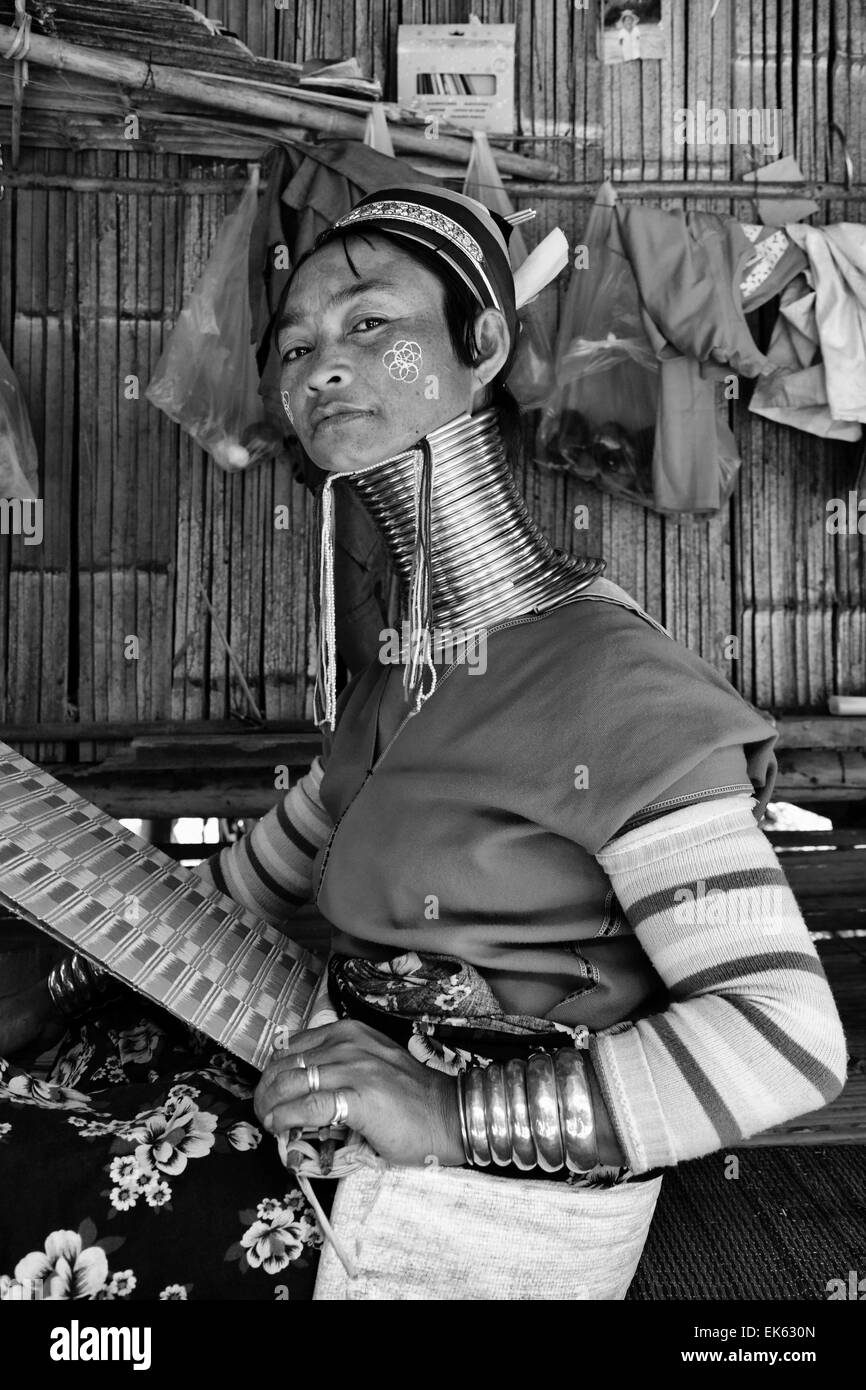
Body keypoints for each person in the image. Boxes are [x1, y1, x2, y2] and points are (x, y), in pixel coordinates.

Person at [0, 185, 847, 1302]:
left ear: (482, 343)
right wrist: (60, 967)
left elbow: (785, 1038)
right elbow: (257, 882)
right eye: (293, 347)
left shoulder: (613, 682)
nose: (318, 367)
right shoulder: (411, 672)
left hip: (459, 1186)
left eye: (368, 324)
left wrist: (450, 1111)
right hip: (319, 1071)